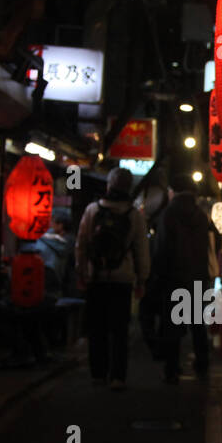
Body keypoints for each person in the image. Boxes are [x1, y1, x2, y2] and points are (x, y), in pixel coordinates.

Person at [76, 167, 149, 390]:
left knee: (97, 327)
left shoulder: (92, 210)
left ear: (108, 185)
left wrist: (81, 273)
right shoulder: (134, 215)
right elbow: (141, 250)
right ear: (128, 188)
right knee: (119, 330)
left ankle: (98, 373)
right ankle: (118, 377)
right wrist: (141, 280)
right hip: (122, 279)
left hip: (96, 277)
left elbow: (81, 245)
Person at [154, 174, 216, 384]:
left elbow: (161, 248)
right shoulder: (201, 215)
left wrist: (158, 276)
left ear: (173, 192)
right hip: (199, 277)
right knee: (198, 324)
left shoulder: (168, 214)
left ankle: (171, 369)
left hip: (174, 278)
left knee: (172, 325)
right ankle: (202, 364)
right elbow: (212, 243)